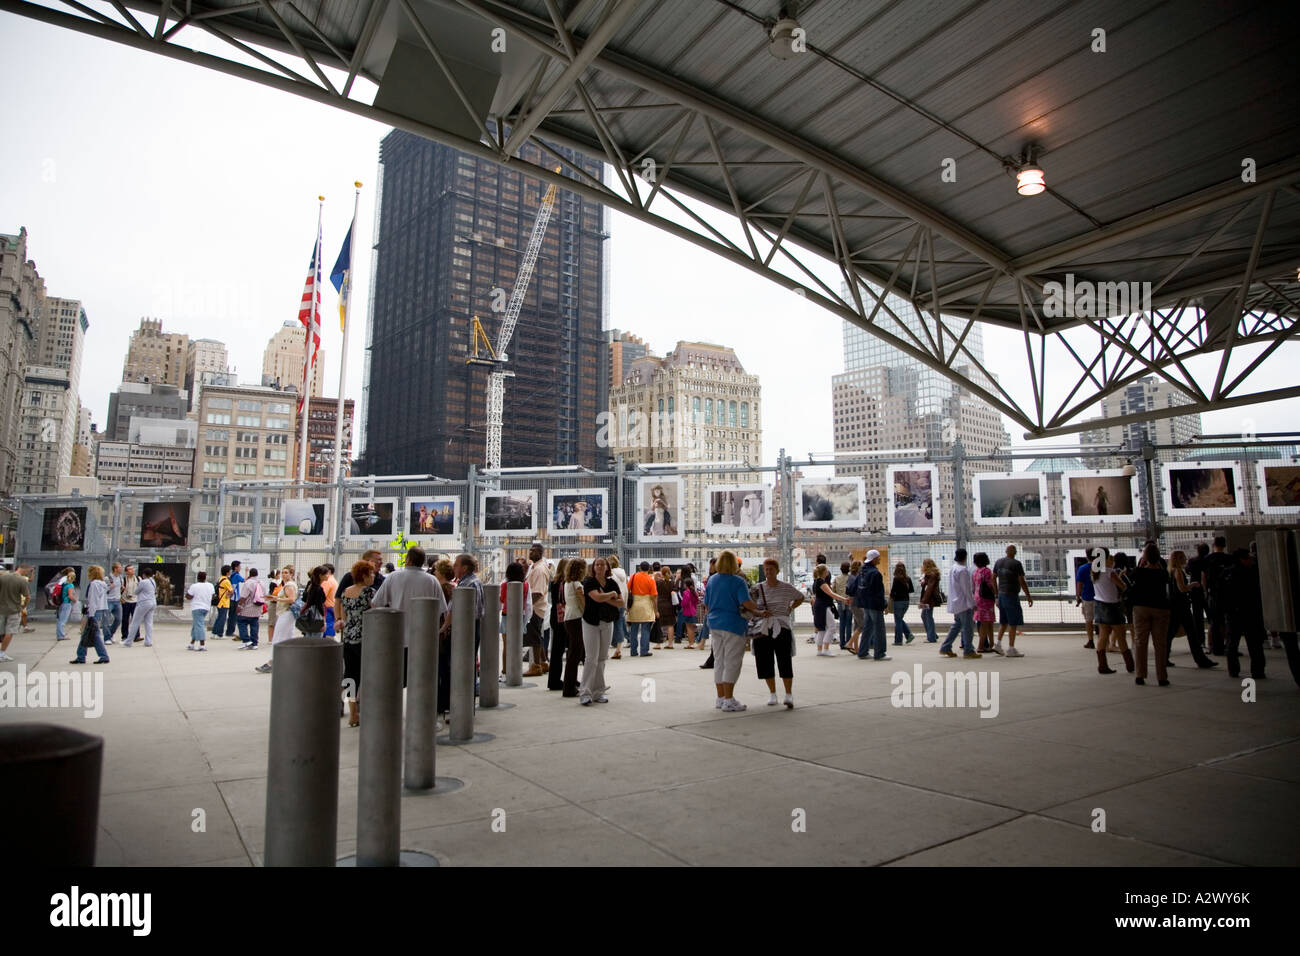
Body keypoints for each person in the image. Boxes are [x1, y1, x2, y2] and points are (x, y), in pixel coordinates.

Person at [372, 547, 447, 688]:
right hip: (424, 639)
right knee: (422, 682)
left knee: (395, 680)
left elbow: (376, 603)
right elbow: (442, 610)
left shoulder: (393, 577)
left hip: (398, 637)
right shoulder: (432, 581)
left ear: (408, 560)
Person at [706, 550, 768, 711]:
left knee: (719, 661)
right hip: (733, 624)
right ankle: (729, 699)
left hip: (714, 623)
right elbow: (746, 603)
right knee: (732, 662)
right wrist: (760, 611)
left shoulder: (712, 580)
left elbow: (706, 603)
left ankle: (720, 698)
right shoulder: (738, 581)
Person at [751, 558, 804, 708]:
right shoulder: (757, 588)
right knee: (765, 661)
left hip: (781, 627)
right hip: (763, 627)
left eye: (771, 570)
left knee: (784, 660)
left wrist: (790, 608)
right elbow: (750, 606)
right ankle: (772, 693)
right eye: (766, 570)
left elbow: (800, 597)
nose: (768, 572)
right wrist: (760, 612)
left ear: (777, 571)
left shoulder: (786, 587)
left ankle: (788, 694)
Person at [337, 560, 378, 728]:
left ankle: (352, 712)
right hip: (366, 637)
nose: (374, 576)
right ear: (364, 575)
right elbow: (376, 612)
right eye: (371, 573)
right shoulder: (369, 592)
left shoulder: (347, 592)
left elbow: (344, 615)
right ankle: (367, 710)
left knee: (351, 675)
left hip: (349, 637)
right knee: (368, 675)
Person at [578, 557, 620, 705]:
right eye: (597, 564)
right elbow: (596, 597)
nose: (600, 566)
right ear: (593, 567)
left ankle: (598, 691)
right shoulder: (589, 582)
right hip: (591, 622)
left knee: (602, 658)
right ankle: (585, 692)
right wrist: (611, 595)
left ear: (608, 567)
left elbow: (621, 602)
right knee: (591, 658)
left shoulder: (612, 582)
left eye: (603, 564)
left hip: (607, 622)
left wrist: (605, 597)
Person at [1129, 543, 1172, 687]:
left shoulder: (1138, 572)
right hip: (1160, 608)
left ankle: (1140, 675)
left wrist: (1142, 563)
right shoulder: (1163, 573)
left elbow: (1132, 578)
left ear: (1145, 557)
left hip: (1141, 608)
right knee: (1160, 644)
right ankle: (1162, 677)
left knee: (1140, 642)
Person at [1222, 548, 1267, 680]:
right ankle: (1258, 671)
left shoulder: (1226, 573)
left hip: (1233, 613)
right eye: (1247, 557)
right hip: (1250, 612)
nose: (1250, 559)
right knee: (1255, 644)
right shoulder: (1251, 572)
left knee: (1232, 643)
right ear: (1242, 559)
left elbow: (1221, 594)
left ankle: (1233, 670)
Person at [1167, 550, 1215, 669]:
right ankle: (1201, 659)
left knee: (1171, 633)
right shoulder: (1178, 571)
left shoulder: (1171, 571)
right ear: (1179, 559)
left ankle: (1163, 656)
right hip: (1182, 606)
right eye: (1183, 557)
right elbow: (1182, 589)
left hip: (1174, 606)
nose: (1186, 558)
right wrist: (1193, 585)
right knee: (1191, 633)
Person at [1091, 548, 1132, 674]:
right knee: (1121, 636)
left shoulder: (1094, 572)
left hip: (1099, 605)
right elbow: (1123, 586)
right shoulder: (1110, 572)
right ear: (1106, 557)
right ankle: (1130, 665)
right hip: (1112, 606)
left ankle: (1102, 665)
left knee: (1103, 636)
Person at [255, 566, 300, 672]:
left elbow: (291, 599)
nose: (284, 574)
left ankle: (271, 662)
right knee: (287, 637)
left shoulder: (289, 585)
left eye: (286, 573)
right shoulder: (288, 584)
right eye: (283, 572)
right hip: (286, 613)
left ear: (291, 574)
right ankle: (286, 661)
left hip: (286, 613)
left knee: (278, 637)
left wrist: (276, 598)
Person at [992, 544, 1032, 657]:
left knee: (1003, 622)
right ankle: (1011, 648)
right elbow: (1021, 581)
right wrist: (1028, 596)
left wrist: (996, 594)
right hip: (1011, 595)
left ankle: (998, 644)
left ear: (1006, 551)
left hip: (1001, 595)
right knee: (1013, 623)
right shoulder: (1016, 564)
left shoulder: (998, 562)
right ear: (1014, 552)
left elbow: (993, 577)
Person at [940, 549, 979, 659]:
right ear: (965, 557)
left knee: (957, 626)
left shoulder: (954, 568)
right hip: (964, 603)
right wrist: (972, 603)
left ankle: (946, 647)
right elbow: (966, 589)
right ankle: (968, 650)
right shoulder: (963, 570)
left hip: (956, 602)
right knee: (968, 627)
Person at [854, 550, 889, 661]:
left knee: (868, 628)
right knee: (879, 628)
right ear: (874, 559)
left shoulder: (862, 572)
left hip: (865, 604)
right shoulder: (875, 573)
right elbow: (878, 592)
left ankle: (863, 652)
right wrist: (884, 604)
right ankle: (880, 653)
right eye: (878, 558)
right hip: (875, 604)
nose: (879, 559)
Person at [70, 565, 109, 665]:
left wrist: (90, 614)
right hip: (99, 610)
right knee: (87, 633)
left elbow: (93, 600)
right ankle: (81, 656)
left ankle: (102, 656)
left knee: (93, 634)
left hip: (93, 611)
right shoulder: (102, 584)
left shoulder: (94, 584)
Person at [561, 559, 588, 697]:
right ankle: (570, 687)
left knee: (573, 652)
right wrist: (588, 614)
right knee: (575, 654)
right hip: (576, 617)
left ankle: (569, 685)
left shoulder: (567, 583)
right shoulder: (577, 584)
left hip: (568, 617)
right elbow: (581, 601)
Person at [1202, 535, 1233, 656]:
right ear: (1224, 545)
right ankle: (1228, 644)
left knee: (1214, 621)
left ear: (1214, 545)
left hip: (1213, 593)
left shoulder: (1208, 559)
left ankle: (1214, 646)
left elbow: (1204, 577)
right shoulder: (1229, 559)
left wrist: (1205, 591)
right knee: (1227, 620)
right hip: (1227, 593)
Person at [524, 544, 551, 677]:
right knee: (537, 636)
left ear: (540, 553)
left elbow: (537, 592)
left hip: (535, 608)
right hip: (537, 607)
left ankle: (536, 666)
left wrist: (526, 607)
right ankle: (544, 662)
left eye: (533, 551)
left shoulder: (539, 569)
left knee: (534, 638)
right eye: (530, 550)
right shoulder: (535, 566)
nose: (530, 552)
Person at [812, 564, 850, 655]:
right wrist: (844, 599)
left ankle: (820, 650)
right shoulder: (822, 582)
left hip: (819, 605)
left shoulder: (816, 581)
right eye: (827, 570)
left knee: (822, 628)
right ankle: (826, 649)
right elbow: (831, 594)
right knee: (832, 626)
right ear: (824, 572)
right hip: (823, 606)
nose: (828, 572)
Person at [546, 559, 570, 691]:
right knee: (563, 650)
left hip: (555, 617)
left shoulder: (554, 582)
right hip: (563, 619)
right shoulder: (564, 583)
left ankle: (555, 680)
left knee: (557, 651)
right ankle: (558, 681)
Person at [0, 564, 33, 662]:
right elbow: (27, 596)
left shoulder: (3, 577)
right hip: (14, 610)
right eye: (28, 570)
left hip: (1, 609)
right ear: (24, 569)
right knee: (10, 631)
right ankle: (2, 653)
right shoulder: (22, 580)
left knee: (1, 631)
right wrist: (23, 606)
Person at [626, 561, 658, 658]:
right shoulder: (650, 579)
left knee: (634, 629)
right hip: (646, 605)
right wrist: (656, 610)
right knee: (645, 629)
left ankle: (633, 651)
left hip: (634, 604)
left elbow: (627, 590)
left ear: (639, 568)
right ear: (648, 569)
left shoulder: (633, 577)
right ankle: (644, 651)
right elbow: (653, 596)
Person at [123, 566, 157, 647]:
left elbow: (136, 592)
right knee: (148, 623)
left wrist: (138, 584)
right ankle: (148, 641)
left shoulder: (143, 582)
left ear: (144, 574)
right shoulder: (153, 581)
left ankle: (128, 641)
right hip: (152, 602)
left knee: (135, 622)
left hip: (144, 603)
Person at [233, 568, 266, 650]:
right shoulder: (261, 583)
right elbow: (264, 594)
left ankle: (246, 640)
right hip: (258, 607)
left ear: (250, 574)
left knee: (241, 622)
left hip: (247, 608)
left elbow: (243, 596)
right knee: (254, 624)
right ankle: (254, 643)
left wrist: (239, 607)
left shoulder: (248, 583)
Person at [971, 552, 996, 654]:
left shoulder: (976, 572)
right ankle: (981, 646)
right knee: (986, 623)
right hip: (986, 599)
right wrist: (996, 594)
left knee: (985, 621)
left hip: (978, 598)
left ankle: (991, 644)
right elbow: (991, 584)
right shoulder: (987, 571)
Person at [606, 554, 630, 659]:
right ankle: (618, 649)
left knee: (607, 625)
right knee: (619, 624)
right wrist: (625, 604)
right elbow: (625, 589)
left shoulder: (609, 575)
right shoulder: (623, 573)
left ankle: (605, 650)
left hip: (611, 602)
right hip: (621, 602)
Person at [186, 571, 215, 651]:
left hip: (196, 607)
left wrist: (187, 594)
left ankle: (202, 645)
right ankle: (192, 643)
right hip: (206, 607)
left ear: (197, 577)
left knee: (199, 625)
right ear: (205, 577)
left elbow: (189, 596)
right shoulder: (210, 585)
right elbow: (213, 596)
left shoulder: (194, 586)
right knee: (196, 625)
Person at [890, 562, 916, 645]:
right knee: (899, 619)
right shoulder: (908, 578)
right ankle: (908, 635)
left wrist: (890, 600)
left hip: (898, 601)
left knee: (898, 621)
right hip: (906, 601)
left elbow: (893, 591)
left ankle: (898, 640)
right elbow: (911, 590)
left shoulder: (896, 579)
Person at [917, 558, 941, 644]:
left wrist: (923, 601)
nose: (922, 566)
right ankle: (933, 634)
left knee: (927, 616)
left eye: (923, 564)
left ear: (926, 565)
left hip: (929, 599)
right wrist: (923, 582)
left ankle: (931, 637)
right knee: (924, 616)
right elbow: (928, 585)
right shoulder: (929, 574)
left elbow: (929, 589)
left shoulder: (932, 575)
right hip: (927, 599)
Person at [1075, 551, 1096, 648]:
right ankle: (1104, 640)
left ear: (1087, 556)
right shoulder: (1100, 568)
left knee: (1089, 620)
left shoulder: (1082, 568)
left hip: (1087, 597)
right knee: (1101, 620)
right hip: (1099, 597)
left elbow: (1079, 583)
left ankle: (1091, 640)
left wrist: (1078, 596)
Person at [833, 561, 854, 649]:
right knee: (849, 623)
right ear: (849, 569)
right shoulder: (851, 578)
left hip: (840, 601)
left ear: (841, 569)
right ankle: (848, 643)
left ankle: (842, 643)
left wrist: (838, 598)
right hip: (849, 601)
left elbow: (833, 590)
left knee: (842, 623)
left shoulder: (836, 578)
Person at [844, 559, 864, 652]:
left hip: (854, 602)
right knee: (862, 625)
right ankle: (849, 643)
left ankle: (856, 648)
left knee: (857, 625)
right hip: (857, 603)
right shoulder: (855, 577)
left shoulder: (851, 577)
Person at [208, 565, 232, 641]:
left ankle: (214, 633)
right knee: (222, 619)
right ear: (228, 572)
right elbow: (231, 591)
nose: (231, 571)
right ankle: (219, 634)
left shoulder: (221, 579)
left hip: (219, 602)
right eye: (230, 570)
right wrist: (229, 594)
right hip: (224, 602)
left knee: (219, 618)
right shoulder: (226, 581)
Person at [656, 567, 678, 649]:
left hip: (660, 605)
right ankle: (670, 644)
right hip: (669, 605)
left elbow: (655, 594)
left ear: (662, 573)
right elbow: (675, 592)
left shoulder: (658, 582)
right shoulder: (672, 582)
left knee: (659, 625)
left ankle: (658, 644)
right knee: (670, 625)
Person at [679, 573, 701, 649]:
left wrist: (681, 605)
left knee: (689, 628)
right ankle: (692, 642)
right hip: (693, 611)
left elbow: (684, 602)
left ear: (686, 585)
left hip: (687, 612)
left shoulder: (686, 592)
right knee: (692, 628)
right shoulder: (694, 592)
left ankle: (691, 643)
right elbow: (696, 601)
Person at [103, 563, 123, 644]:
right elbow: (103, 589)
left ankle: (111, 633)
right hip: (109, 600)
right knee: (106, 620)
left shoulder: (120, 578)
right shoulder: (107, 578)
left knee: (118, 619)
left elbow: (120, 588)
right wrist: (109, 587)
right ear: (115, 569)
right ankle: (106, 638)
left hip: (117, 601)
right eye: (120, 568)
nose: (121, 569)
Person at [55, 567, 77, 641]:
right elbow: (70, 596)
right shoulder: (71, 585)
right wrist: (75, 600)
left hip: (62, 602)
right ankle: (61, 636)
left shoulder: (64, 584)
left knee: (60, 620)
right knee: (63, 621)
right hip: (67, 603)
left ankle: (59, 634)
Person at [225, 560, 244, 637]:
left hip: (230, 598)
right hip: (235, 598)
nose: (240, 568)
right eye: (239, 566)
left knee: (230, 615)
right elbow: (244, 580)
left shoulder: (230, 575)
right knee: (234, 616)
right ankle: (230, 631)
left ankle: (229, 631)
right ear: (236, 567)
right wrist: (246, 572)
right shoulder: (236, 575)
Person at [321, 564, 339, 638]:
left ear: (328, 571)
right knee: (330, 626)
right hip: (332, 606)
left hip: (326, 608)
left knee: (327, 628)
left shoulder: (327, 581)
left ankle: (327, 645)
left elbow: (322, 595)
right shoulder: (334, 580)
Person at [120, 565, 138, 639]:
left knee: (136, 619)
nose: (132, 570)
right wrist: (120, 598)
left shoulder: (138, 579)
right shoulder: (123, 579)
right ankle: (125, 635)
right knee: (125, 619)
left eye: (132, 569)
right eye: (130, 569)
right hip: (126, 601)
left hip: (135, 600)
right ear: (126, 572)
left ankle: (136, 635)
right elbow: (118, 590)